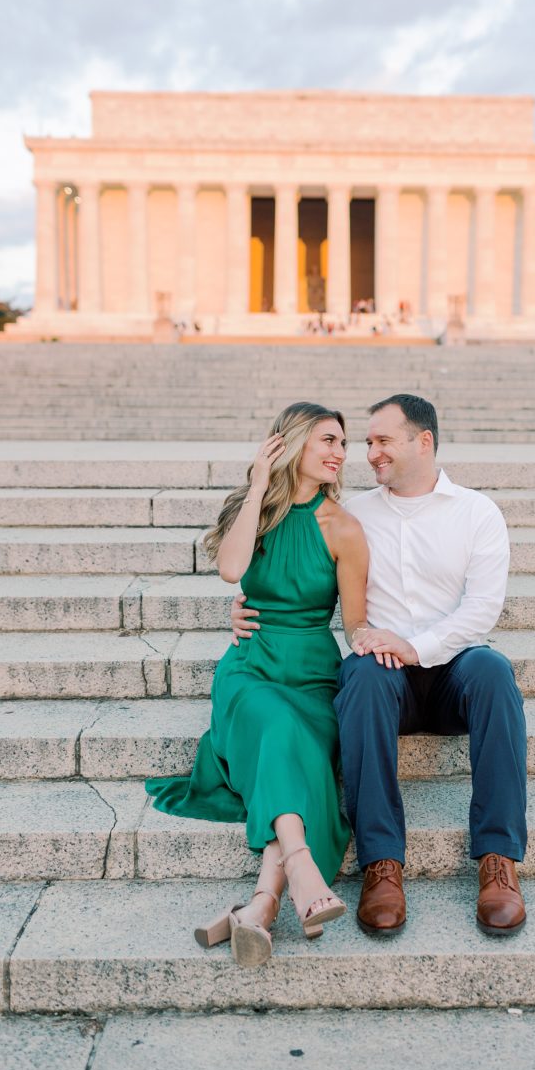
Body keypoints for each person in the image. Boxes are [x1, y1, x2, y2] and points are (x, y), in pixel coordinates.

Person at [232, 394, 527, 939]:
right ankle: (381, 865)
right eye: (367, 443)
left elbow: (483, 609)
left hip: (453, 670)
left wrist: (419, 646)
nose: (369, 454)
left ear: (424, 442)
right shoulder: (355, 514)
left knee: (495, 672)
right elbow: (290, 564)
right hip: (384, 678)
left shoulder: (477, 512)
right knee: (362, 675)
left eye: (382, 441)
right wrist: (250, 608)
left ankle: (498, 861)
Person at [146, 402, 370, 967]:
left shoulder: (343, 526)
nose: (339, 452)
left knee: (296, 748)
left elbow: (356, 622)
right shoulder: (256, 512)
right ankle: (300, 863)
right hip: (251, 666)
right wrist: (257, 486)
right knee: (275, 728)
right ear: (290, 444)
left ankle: (258, 909)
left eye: (342, 443)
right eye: (326, 440)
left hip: (315, 674)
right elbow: (231, 569)